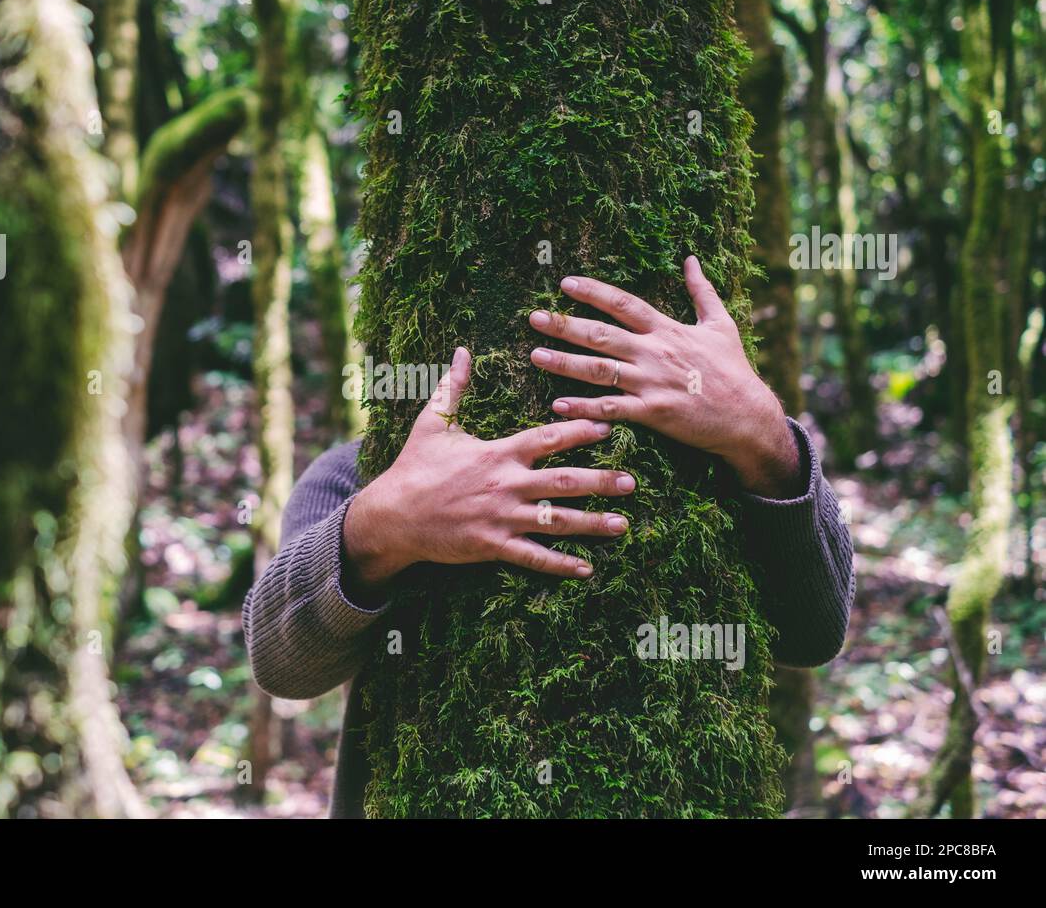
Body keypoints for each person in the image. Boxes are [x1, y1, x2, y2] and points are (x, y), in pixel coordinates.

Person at [243, 256, 856, 817]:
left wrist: (765, 436)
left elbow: (815, 630)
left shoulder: (713, 449)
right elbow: (279, 662)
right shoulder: (356, 477)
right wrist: (383, 525)